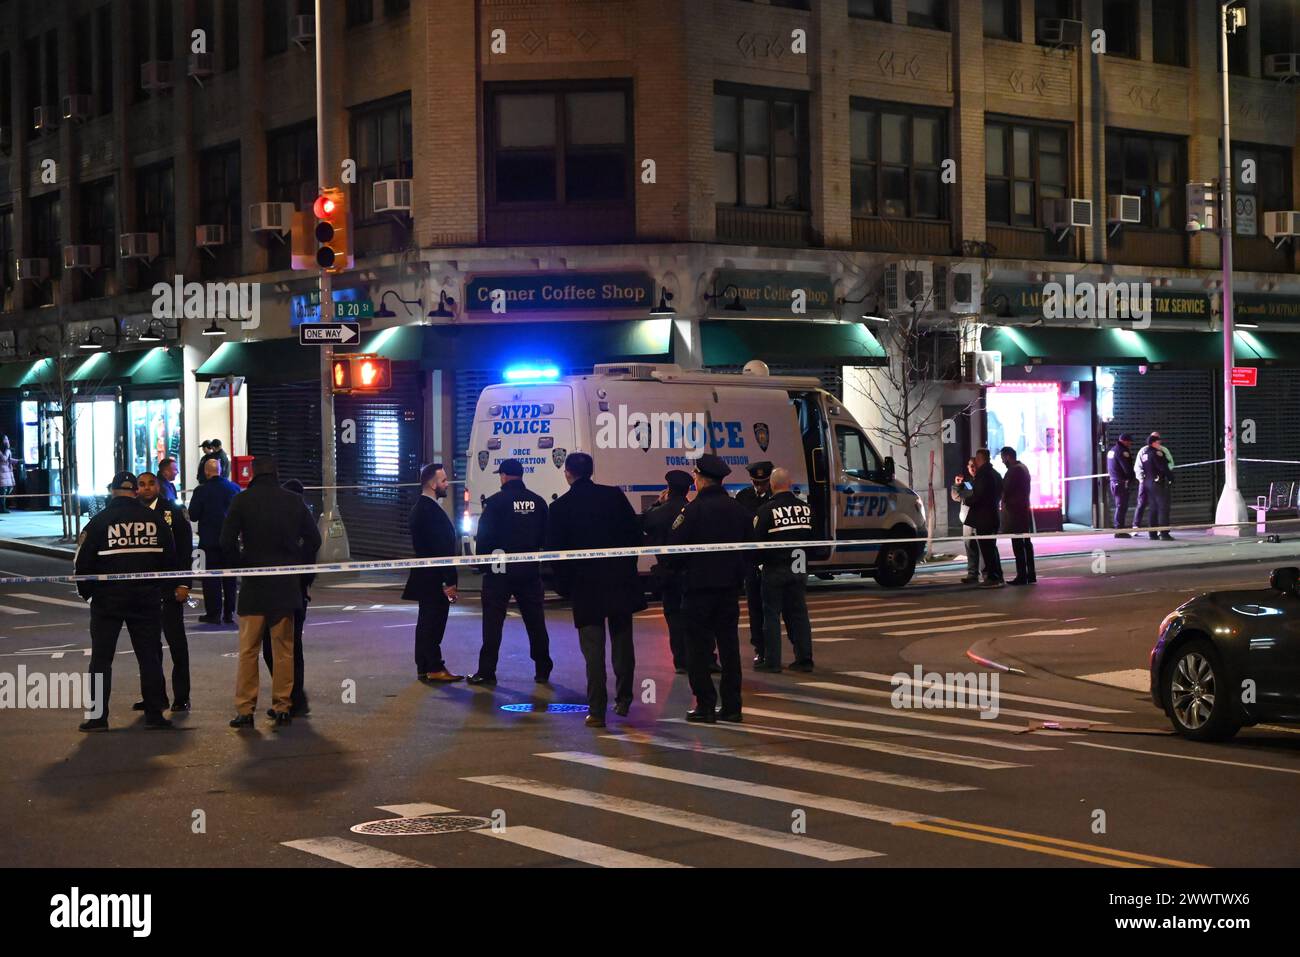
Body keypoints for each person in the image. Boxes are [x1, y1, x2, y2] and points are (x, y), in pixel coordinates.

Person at [547, 452, 647, 728]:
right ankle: (624, 699)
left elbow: (556, 554)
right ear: (591, 471)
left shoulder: (560, 508)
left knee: (593, 651)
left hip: (585, 585)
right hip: (618, 580)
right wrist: (628, 568)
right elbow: (634, 536)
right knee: (622, 642)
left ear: (568, 473)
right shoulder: (613, 496)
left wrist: (565, 587)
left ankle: (597, 709)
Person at [221, 455, 321, 729]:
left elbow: (226, 542)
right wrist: (295, 562)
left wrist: (242, 564)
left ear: (253, 473)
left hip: (254, 586)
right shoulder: (293, 501)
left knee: (249, 650)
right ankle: (282, 706)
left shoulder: (242, 501)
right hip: (285, 585)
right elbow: (314, 538)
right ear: (276, 473)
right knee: (284, 650)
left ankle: (245, 709)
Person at [73, 472, 177, 732]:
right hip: (146, 599)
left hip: (108, 601)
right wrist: (159, 590)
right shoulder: (155, 520)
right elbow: (170, 560)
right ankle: (154, 714)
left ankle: (98, 718)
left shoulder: (99, 522)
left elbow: (82, 564)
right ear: (134, 492)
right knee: (150, 657)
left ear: (112, 491)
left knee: (101, 659)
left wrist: (89, 594)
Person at [668, 453, 752, 723]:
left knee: (698, 649)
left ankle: (705, 704)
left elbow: (674, 551)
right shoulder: (737, 509)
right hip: (728, 589)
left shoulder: (692, 510)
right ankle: (732, 706)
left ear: (701, 478)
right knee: (729, 649)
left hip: (698, 589)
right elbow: (750, 548)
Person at [470, 459, 552, 685]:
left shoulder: (495, 503)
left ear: (504, 476)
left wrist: (483, 566)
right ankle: (543, 668)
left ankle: (487, 671)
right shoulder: (538, 502)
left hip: (499, 572)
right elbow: (547, 537)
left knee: (493, 624)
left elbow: (485, 539)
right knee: (535, 621)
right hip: (529, 571)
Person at [134, 471, 193, 712]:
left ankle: (181, 696)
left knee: (176, 643)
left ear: (158, 486)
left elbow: (185, 549)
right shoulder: (134, 512)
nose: (146, 488)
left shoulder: (173, 512)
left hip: (170, 588)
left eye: (150, 484)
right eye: (142, 485)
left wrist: (184, 583)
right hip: (143, 590)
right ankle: (154, 696)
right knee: (149, 646)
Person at [260, 478, 319, 716]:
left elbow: (310, 560)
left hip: (290, 593)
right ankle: (291, 696)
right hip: (292, 593)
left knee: (284, 648)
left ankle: (292, 698)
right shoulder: (292, 526)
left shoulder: (300, 530)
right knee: (286, 648)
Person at [401, 463, 463, 684]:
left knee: (426, 622)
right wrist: (449, 581)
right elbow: (440, 549)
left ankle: (425, 666)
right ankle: (434, 667)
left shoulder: (424, 508)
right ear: (431, 483)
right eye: (443, 480)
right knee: (433, 623)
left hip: (427, 576)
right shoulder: (428, 511)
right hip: (434, 578)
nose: (447, 484)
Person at [640, 469, 703, 675]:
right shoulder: (693, 509)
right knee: (697, 617)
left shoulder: (658, 513)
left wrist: (658, 503)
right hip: (692, 571)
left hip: (668, 573)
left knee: (674, 618)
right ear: (688, 489)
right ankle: (705, 658)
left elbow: (645, 522)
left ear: (668, 488)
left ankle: (681, 660)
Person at [752, 467, 814, 673]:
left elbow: (757, 544)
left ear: (772, 484)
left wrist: (759, 564)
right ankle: (804, 659)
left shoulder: (766, 510)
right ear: (790, 483)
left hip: (775, 569)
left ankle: (772, 661)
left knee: (771, 615)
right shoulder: (805, 509)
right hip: (799, 567)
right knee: (799, 614)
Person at [187, 458, 241, 624]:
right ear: (221, 470)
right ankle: (229, 612)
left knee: (210, 579)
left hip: (209, 541)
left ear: (206, 471)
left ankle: (213, 613)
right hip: (230, 541)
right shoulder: (234, 488)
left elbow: (194, 514)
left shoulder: (201, 491)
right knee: (230, 579)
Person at [735, 460, 774, 664]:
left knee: (773, 608)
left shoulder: (776, 497)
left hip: (771, 560)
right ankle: (759, 647)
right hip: (751, 560)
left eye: (764, 482)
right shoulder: (743, 497)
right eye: (756, 483)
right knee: (755, 607)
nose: (760, 487)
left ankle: (774, 649)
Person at [965, 448, 1004, 588]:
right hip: (992, 515)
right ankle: (997, 575)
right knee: (991, 548)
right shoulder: (994, 474)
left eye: (976, 459)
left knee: (987, 549)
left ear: (981, 459)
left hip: (984, 518)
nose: (973, 463)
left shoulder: (983, 475)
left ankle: (992, 577)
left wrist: (967, 500)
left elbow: (977, 496)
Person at [1000, 447, 1036, 586]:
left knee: (1018, 545)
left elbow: (1005, 489)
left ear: (1008, 457)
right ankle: (1030, 574)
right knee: (1026, 544)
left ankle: (1022, 575)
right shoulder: (1023, 468)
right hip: (1023, 510)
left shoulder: (1014, 470)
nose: (1003, 461)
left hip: (1015, 512)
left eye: (1003, 458)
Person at [1135, 432, 1174, 541]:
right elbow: (1163, 467)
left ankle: (1152, 534)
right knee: (1163, 508)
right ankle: (1164, 533)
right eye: (1158, 441)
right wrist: (1171, 478)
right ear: (1153, 443)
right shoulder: (1157, 453)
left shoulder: (1144, 453)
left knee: (1153, 509)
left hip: (1147, 483)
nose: (1160, 443)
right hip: (1158, 483)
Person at [951, 458, 983, 584]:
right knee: (970, 548)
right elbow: (957, 497)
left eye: (974, 465)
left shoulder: (981, 481)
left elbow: (969, 497)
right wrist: (957, 485)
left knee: (982, 548)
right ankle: (972, 574)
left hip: (979, 519)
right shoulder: (969, 483)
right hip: (968, 521)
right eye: (970, 466)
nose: (972, 468)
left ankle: (987, 575)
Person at [1107, 433, 1136, 538]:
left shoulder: (1112, 450)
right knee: (1121, 507)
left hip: (1113, 481)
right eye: (1129, 441)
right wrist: (1132, 478)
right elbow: (1127, 468)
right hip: (1121, 482)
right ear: (1124, 441)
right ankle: (1119, 530)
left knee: (1119, 506)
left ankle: (1119, 529)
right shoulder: (1122, 451)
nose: (1130, 443)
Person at [0, 435, 14, 513]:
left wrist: (18, 461)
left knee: (8, 489)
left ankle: (2, 507)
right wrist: (8, 451)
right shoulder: (5, 450)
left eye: (7, 438)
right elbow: (4, 458)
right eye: (5, 439)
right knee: (3, 490)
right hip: (2, 472)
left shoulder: (6, 449)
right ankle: (2, 508)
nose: (7, 440)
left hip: (7, 471)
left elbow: (8, 459)